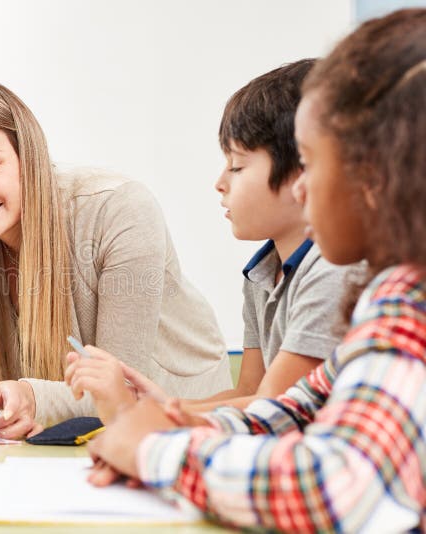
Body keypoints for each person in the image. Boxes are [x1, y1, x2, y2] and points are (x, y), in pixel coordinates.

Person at [86, 8, 426, 531]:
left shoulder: (412, 306)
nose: (303, 188)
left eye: (311, 164)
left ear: (377, 174)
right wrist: (168, 429)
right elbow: (291, 410)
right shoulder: (386, 293)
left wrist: (160, 452)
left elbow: (337, 489)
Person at [0, 79, 232, 438]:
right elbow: (1, 390)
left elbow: (119, 388)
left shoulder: (119, 209)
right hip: (72, 437)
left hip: (184, 429)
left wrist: (31, 397)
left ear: (28, 158)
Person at [65, 59, 361, 423]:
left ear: (303, 170)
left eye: (236, 166)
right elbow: (248, 395)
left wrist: (147, 414)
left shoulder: (331, 271)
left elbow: (272, 407)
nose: (220, 182)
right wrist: (157, 407)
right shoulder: (262, 274)